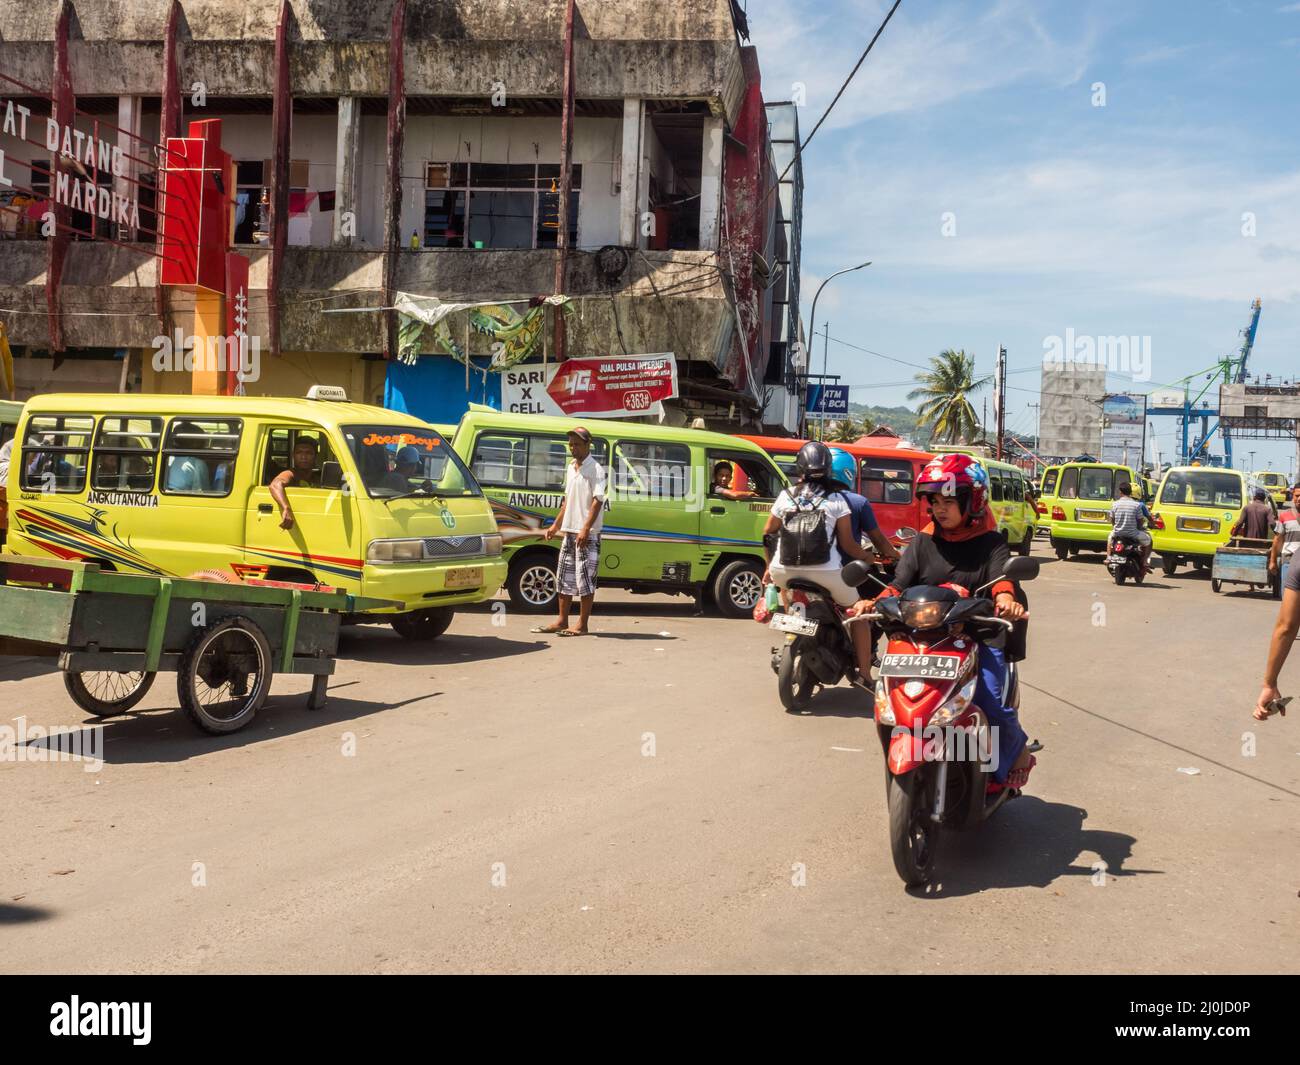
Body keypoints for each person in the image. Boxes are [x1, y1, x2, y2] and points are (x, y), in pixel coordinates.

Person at [848, 453, 1036, 791]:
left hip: (976, 636)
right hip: (922, 639)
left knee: (989, 700)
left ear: (973, 501)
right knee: (893, 699)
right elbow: (898, 584)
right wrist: (871, 602)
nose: (940, 508)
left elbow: (1002, 578)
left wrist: (1005, 599)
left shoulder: (991, 542)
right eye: (934, 501)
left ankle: (1016, 753)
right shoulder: (922, 542)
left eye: (949, 500)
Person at [762, 441, 877, 687]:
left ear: (799, 467)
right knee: (859, 614)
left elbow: (767, 533)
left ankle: (792, 628)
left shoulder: (785, 496)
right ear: (827, 468)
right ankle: (865, 674)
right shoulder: (837, 500)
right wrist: (868, 558)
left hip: (783, 571)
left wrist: (767, 567)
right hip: (827, 574)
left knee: (788, 596)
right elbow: (848, 546)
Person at [534, 427, 606, 637]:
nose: (573, 448)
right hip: (569, 532)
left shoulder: (597, 469)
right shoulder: (571, 467)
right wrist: (556, 525)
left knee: (585, 580)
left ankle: (582, 625)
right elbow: (567, 502)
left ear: (587, 445)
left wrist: (585, 528)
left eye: (577, 444)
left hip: (587, 535)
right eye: (571, 444)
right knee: (564, 578)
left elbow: (598, 500)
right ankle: (562, 620)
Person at [828, 448, 901, 563]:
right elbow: (879, 542)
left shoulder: (806, 498)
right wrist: (898, 557)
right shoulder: (858, 502)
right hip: (842, 573)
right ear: (848, 472)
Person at [269, 436, 321, 530]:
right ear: (293, 456)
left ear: (315, 456)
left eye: (308, 453)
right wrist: (286, 508)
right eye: (299, 452)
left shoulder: (317, 478)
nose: (303, 457)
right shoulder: (291, 474)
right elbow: (275, 485)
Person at [1106, 480, 1154, 573]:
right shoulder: (1137, 505)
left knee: (1109, 539)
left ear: (1120, 492)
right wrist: (1138, 528)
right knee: (1149, 541)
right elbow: (1141, 520)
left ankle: (1108, 558)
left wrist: (1116, 527)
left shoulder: (1115, 504)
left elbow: (1112, 520)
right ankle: (1144, 561)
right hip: (1133, 534)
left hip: (1118, 533)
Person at [1267, 483, 1300, 588]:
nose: (1299, 499)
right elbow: (1277, 539)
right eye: (1297, 496)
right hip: (1288, 561)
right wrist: (1273, 561)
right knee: (1286, 597)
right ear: (1292, 496)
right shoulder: (1284, 516)